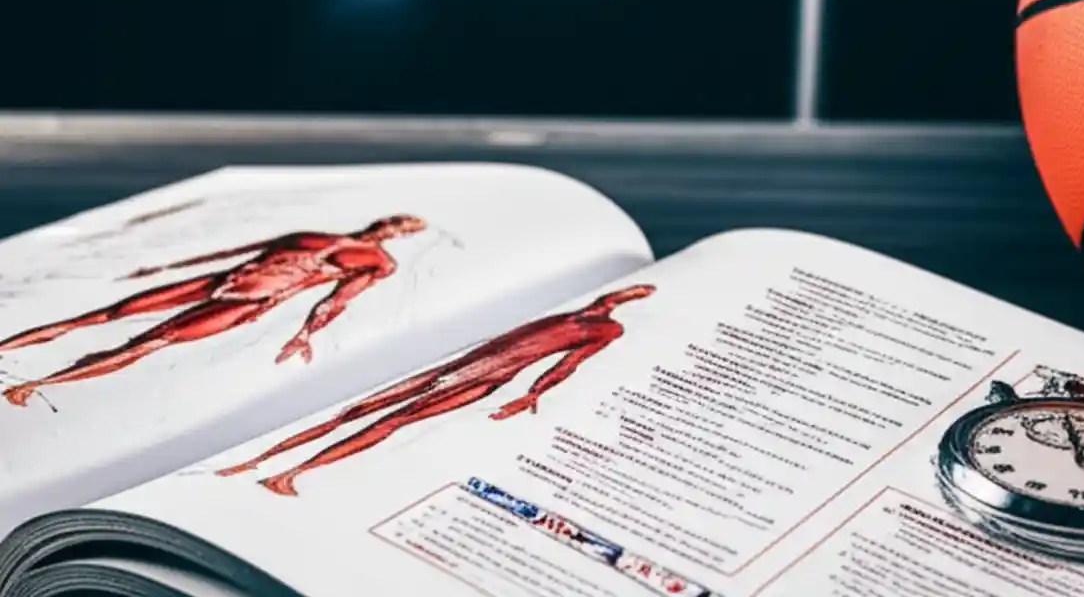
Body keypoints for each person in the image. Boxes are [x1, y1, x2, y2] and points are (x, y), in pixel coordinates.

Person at [216, 284, 656, 496]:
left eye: (638, 291)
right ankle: (258, 461)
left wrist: (534, 393)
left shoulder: (608, 329)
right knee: (349, 412)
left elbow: (569, 361)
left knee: (392, 422)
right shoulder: (575, 304)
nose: (629, 292)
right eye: (633, 288)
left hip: (487, 378)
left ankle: (291, 474)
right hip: (458, 364)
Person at [0, 214, 426, 406]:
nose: (394, 227)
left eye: (405, 228)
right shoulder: (314, 232)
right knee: (105, 314)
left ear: (402, 237)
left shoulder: (377, 263)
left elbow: (337, 299)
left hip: (252, 300)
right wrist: (168, 266)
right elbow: (238, 250)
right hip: (218, 279)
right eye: (397, 219)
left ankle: (38, 383)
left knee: (149, 342)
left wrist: (306, 333)